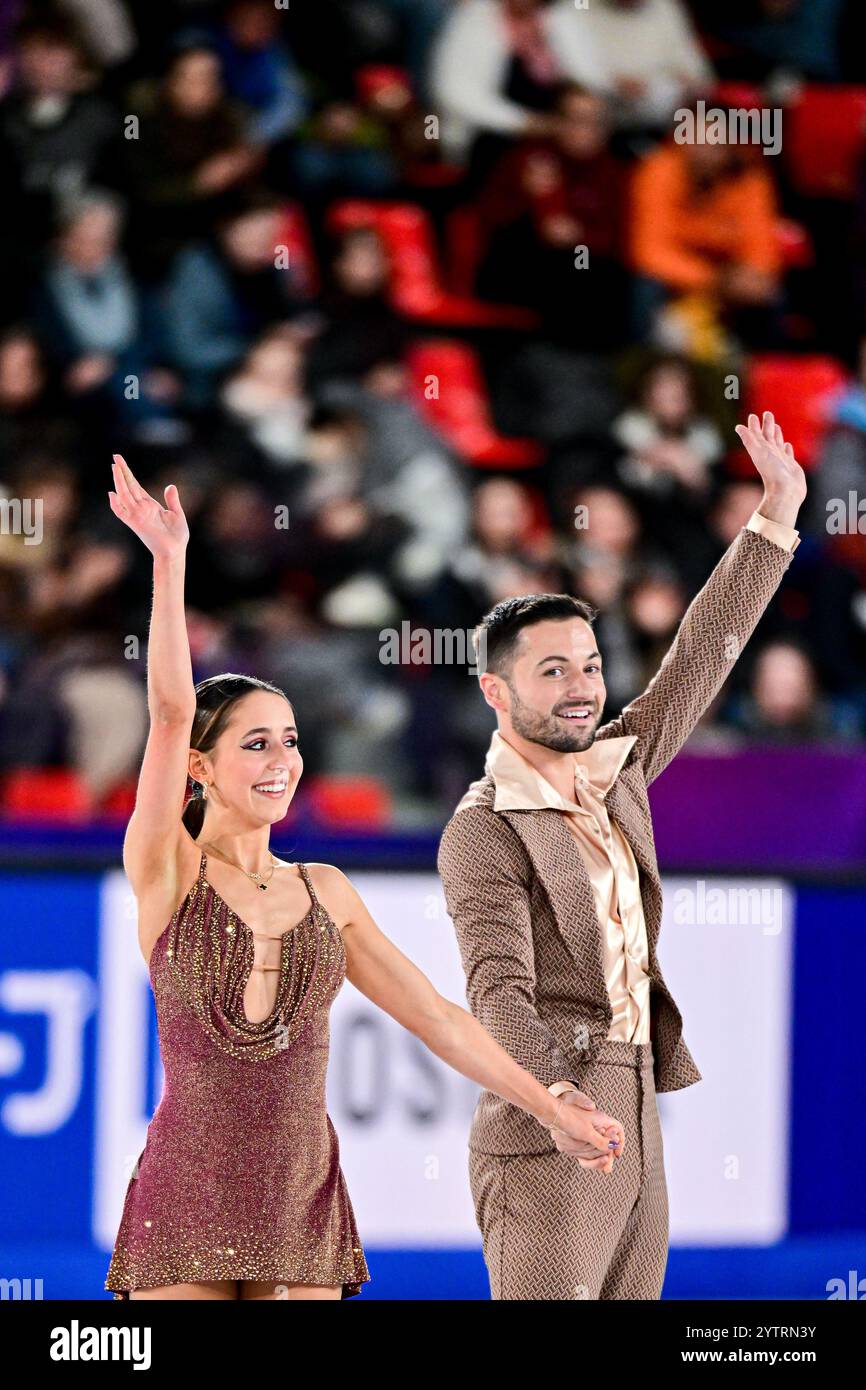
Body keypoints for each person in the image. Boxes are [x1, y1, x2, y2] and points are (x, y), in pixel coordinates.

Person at [101, 452, 626, 1301]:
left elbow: (438, 1020)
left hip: (301, 1195)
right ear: (198, 765)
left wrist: (551, 1107)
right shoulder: (166, 869)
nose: (282, 762)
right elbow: (167, 711)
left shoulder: (326, 892)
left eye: (293, 740)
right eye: (257, 743)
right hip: (186, 1194)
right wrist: (169, 564)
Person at [437, 411, 805, 1300]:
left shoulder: (616, 769)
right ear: (496, 690)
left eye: (591, 666)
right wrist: (556, 1097)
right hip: (549, 1124)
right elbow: (496, 994)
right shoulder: (483, 827)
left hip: (636, 1107)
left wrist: (776, 515)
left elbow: (696, 660)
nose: (582, 690)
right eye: (552, 671)